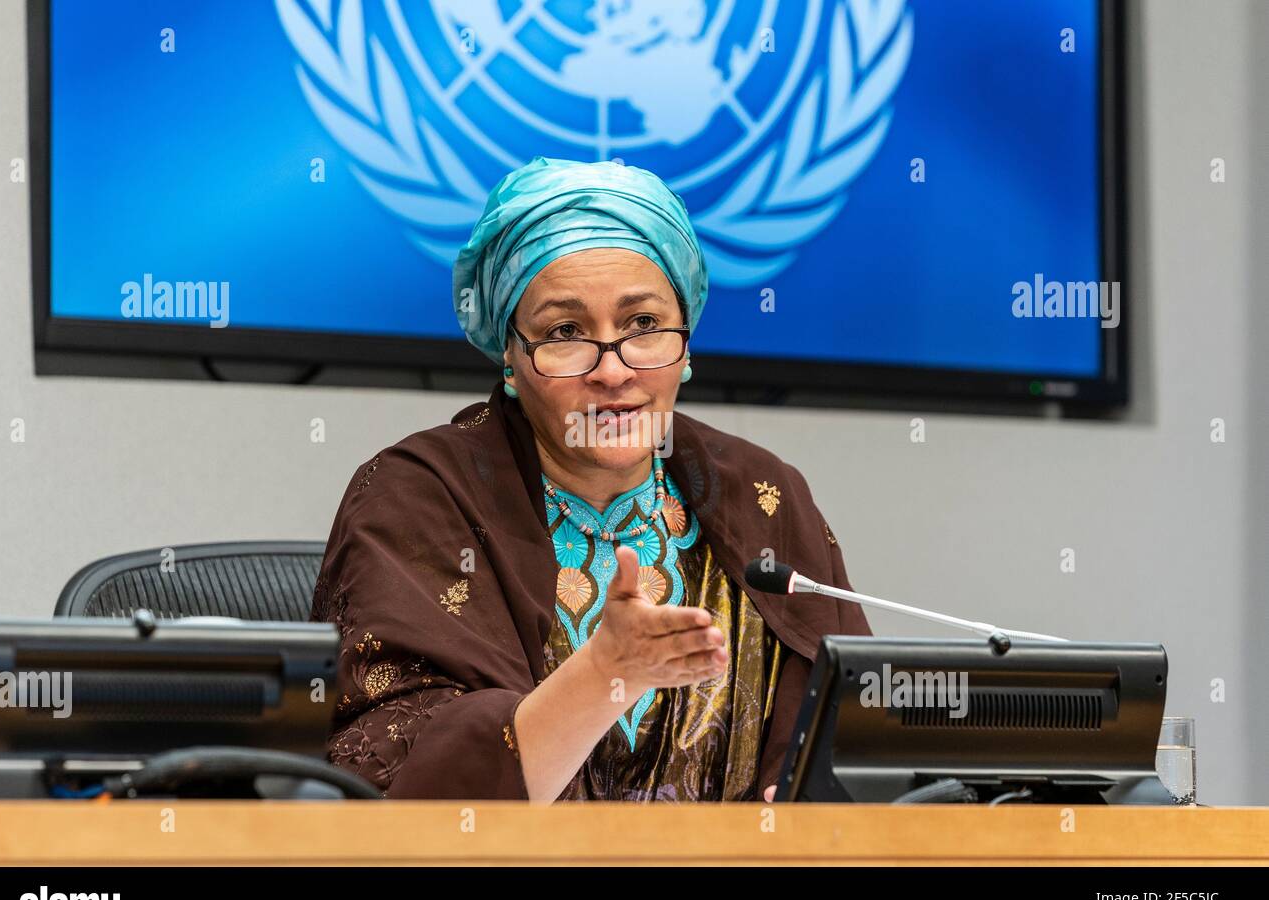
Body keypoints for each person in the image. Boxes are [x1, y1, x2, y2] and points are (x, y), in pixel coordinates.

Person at [311, 156, 870, 802]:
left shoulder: (765, 497)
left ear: (685, 349)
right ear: (511, 359)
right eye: (566, 332)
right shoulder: (414, 499)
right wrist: (607, 672)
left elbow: (852, 735)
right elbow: (392, 784)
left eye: (643, 326)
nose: (612, 371)